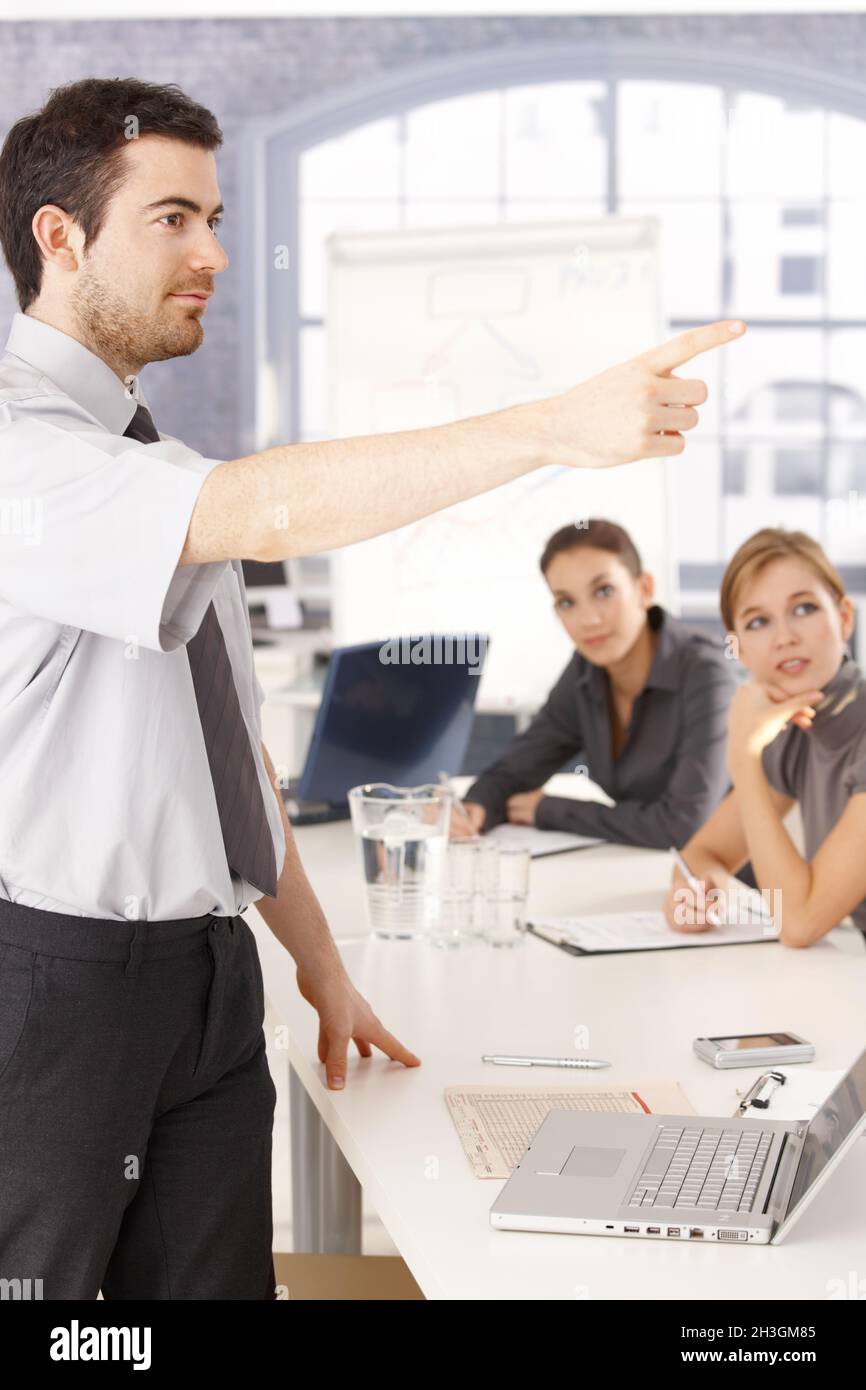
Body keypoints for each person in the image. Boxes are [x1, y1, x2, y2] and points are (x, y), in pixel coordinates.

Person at [0, 75, 742, 1300]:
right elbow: (267, 504)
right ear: (60, 236)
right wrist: (550, 428)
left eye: (218, 217)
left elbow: (225, 757)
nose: (216, 252)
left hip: (206, 975)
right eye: (174, 218)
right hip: (60, 990)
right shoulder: (29, 454)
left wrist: (320, 963)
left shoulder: (154, 468)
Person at [451, 519, 737, 849]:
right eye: (567, 602)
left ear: (644, 589)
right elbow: (516, 771)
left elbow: (685, 824)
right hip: (643, 867)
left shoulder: (706, 672)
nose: (588, 619)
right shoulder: (587, 670)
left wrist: (549, 809)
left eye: (604, 592)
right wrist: (476, 807)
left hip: (728, 882)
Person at [662, 526, 866, 949]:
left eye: (804, 608)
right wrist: (701, 888)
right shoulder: (800, 728)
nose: (784, 637)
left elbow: (800, 923)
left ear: (844, 617)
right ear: (739, 649)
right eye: (758, 622)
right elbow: (703, 854)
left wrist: (744, 755)